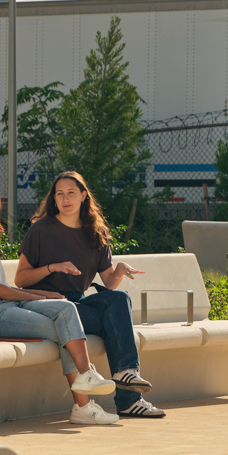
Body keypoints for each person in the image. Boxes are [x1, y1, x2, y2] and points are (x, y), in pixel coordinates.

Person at [0, 180, 121, 425]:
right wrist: (41, 295)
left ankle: (86, 382)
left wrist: (45, 295)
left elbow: (5, 289)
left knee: (66, 308)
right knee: (65, 332)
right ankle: (84, 399)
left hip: (6, 306)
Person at [15, 170, 166, 420]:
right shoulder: (41, 230)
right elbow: (20, 279)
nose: (65, 199)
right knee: (113, 324)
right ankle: (129, 400)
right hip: (50, 305)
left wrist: (119, 270)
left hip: (78, 303)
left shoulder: (96, 231)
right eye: (59, 194)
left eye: (71, 193)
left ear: (84, 195)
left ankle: (126, 374)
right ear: (54, 198)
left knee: (120, 299)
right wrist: (53, 267)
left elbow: (109, 282)